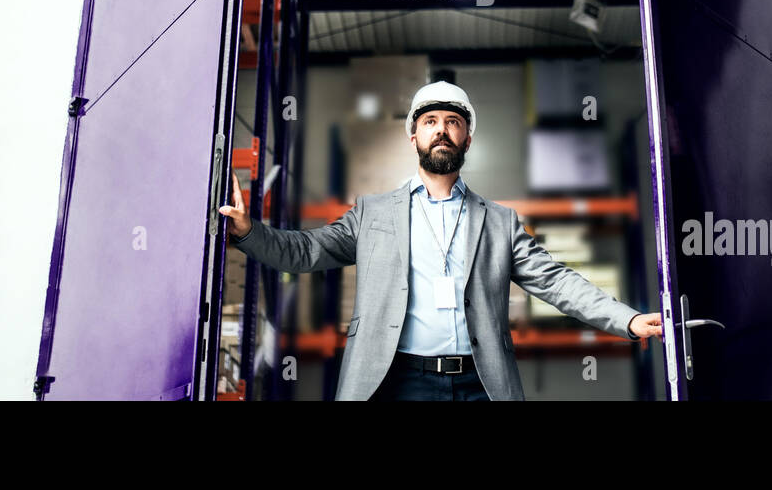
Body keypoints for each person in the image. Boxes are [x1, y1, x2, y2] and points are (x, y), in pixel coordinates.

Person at [219, 80, 663, 400]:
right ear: (413, 135)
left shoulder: (499, 222)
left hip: (479, 383)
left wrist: (625, 319)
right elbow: (305, 251)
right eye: (430, 121)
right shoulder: (373, 213)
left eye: (453, 121)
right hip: (397, 381)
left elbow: (557, 281)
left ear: (468, 137)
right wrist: (248, 231)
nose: (441, 130)